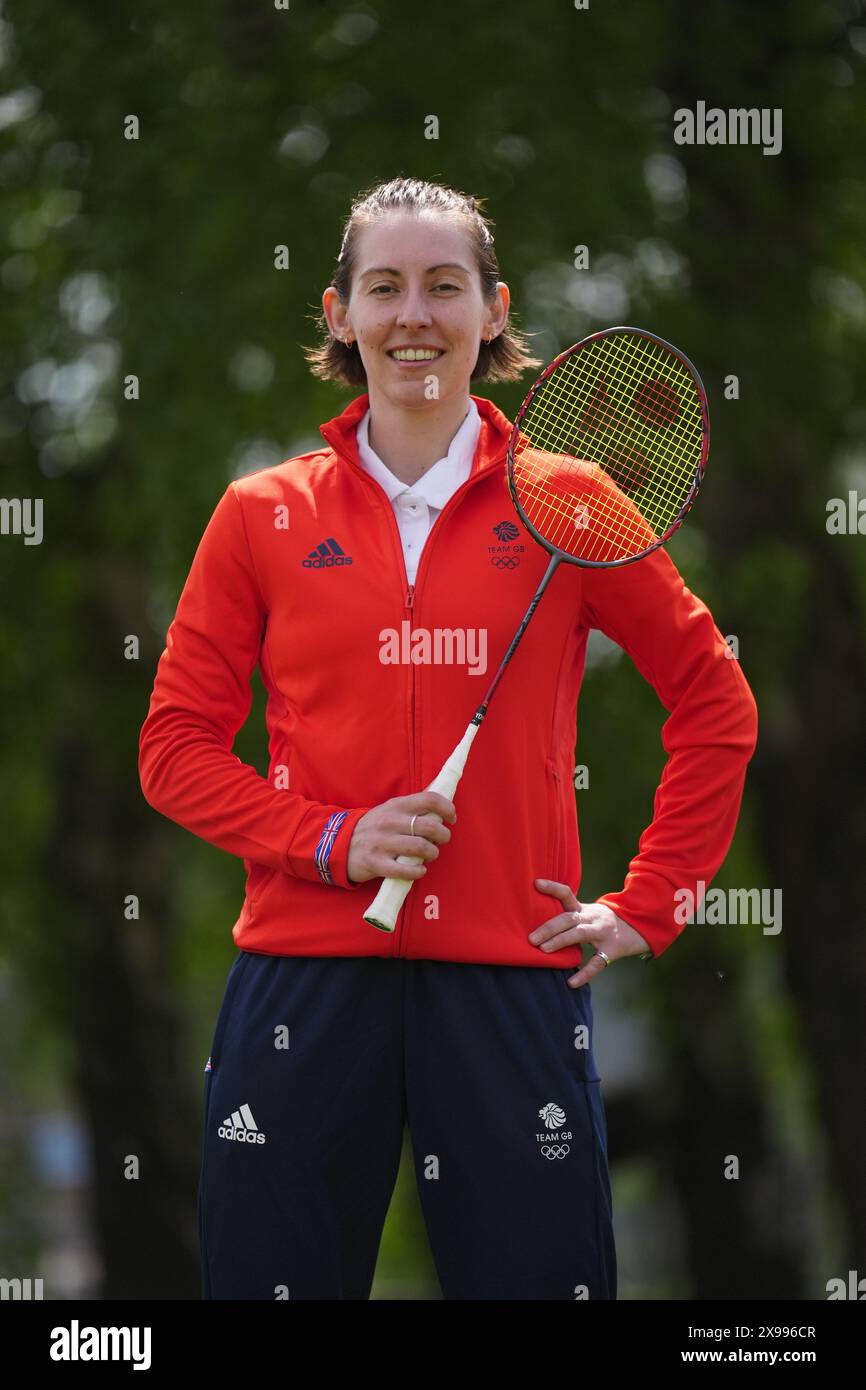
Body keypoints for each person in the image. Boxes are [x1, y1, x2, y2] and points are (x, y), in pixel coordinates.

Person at [138, 176, 758, 1301]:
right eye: (382, 287)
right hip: (301, 985)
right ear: (338, 313)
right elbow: (174, 747)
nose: (411, 314)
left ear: (491, 309)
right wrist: (333, 840)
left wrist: (649, 902)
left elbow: (713, 699)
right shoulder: (259, 513)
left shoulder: (570, 502)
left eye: (442, 286)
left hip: (508, 980)